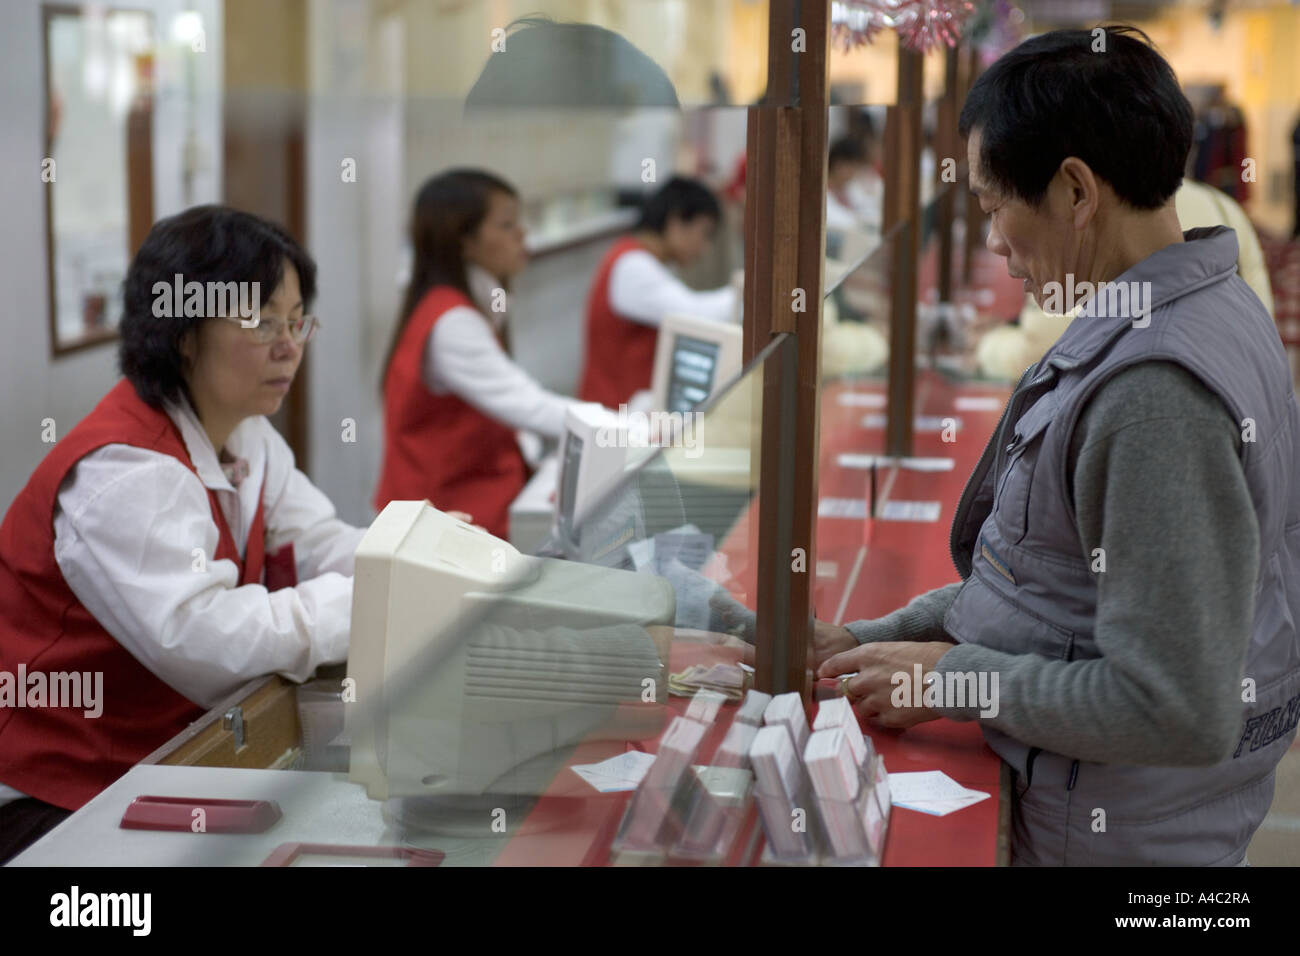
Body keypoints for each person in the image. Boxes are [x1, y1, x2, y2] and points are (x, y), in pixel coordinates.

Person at [815, 26, 1300, 866]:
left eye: (995, 205)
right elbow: (1048, 584)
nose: (995, 244)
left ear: (1076, 190)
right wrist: (874, 638)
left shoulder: (1155, 393)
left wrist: (950, 680)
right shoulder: (1199, 303)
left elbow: (1176, 708)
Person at [0, 206, 366, 863]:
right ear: (183, 334)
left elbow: (323, 542)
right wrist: (370, 599)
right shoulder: (123, 472)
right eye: (260, 323)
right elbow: (209, 643)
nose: (289, 346)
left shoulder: (245, 431)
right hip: (54, 801)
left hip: (167, 763)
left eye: (295, 321)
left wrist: (420, 559)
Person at [374, 169, 596, 539]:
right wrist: (628, 429)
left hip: (459, 509)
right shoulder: (453, 323)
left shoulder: (459, 306)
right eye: (507, 225)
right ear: (464, 240)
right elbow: (530, 405)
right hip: (447, 519)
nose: (522, 233)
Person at [577, 176, 738, 409]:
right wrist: (755, 291)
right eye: (705, 233)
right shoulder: (632, 265)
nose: (705, 248)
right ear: (676, 222)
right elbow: (694, 315)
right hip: (614, 416)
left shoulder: (639, 259)